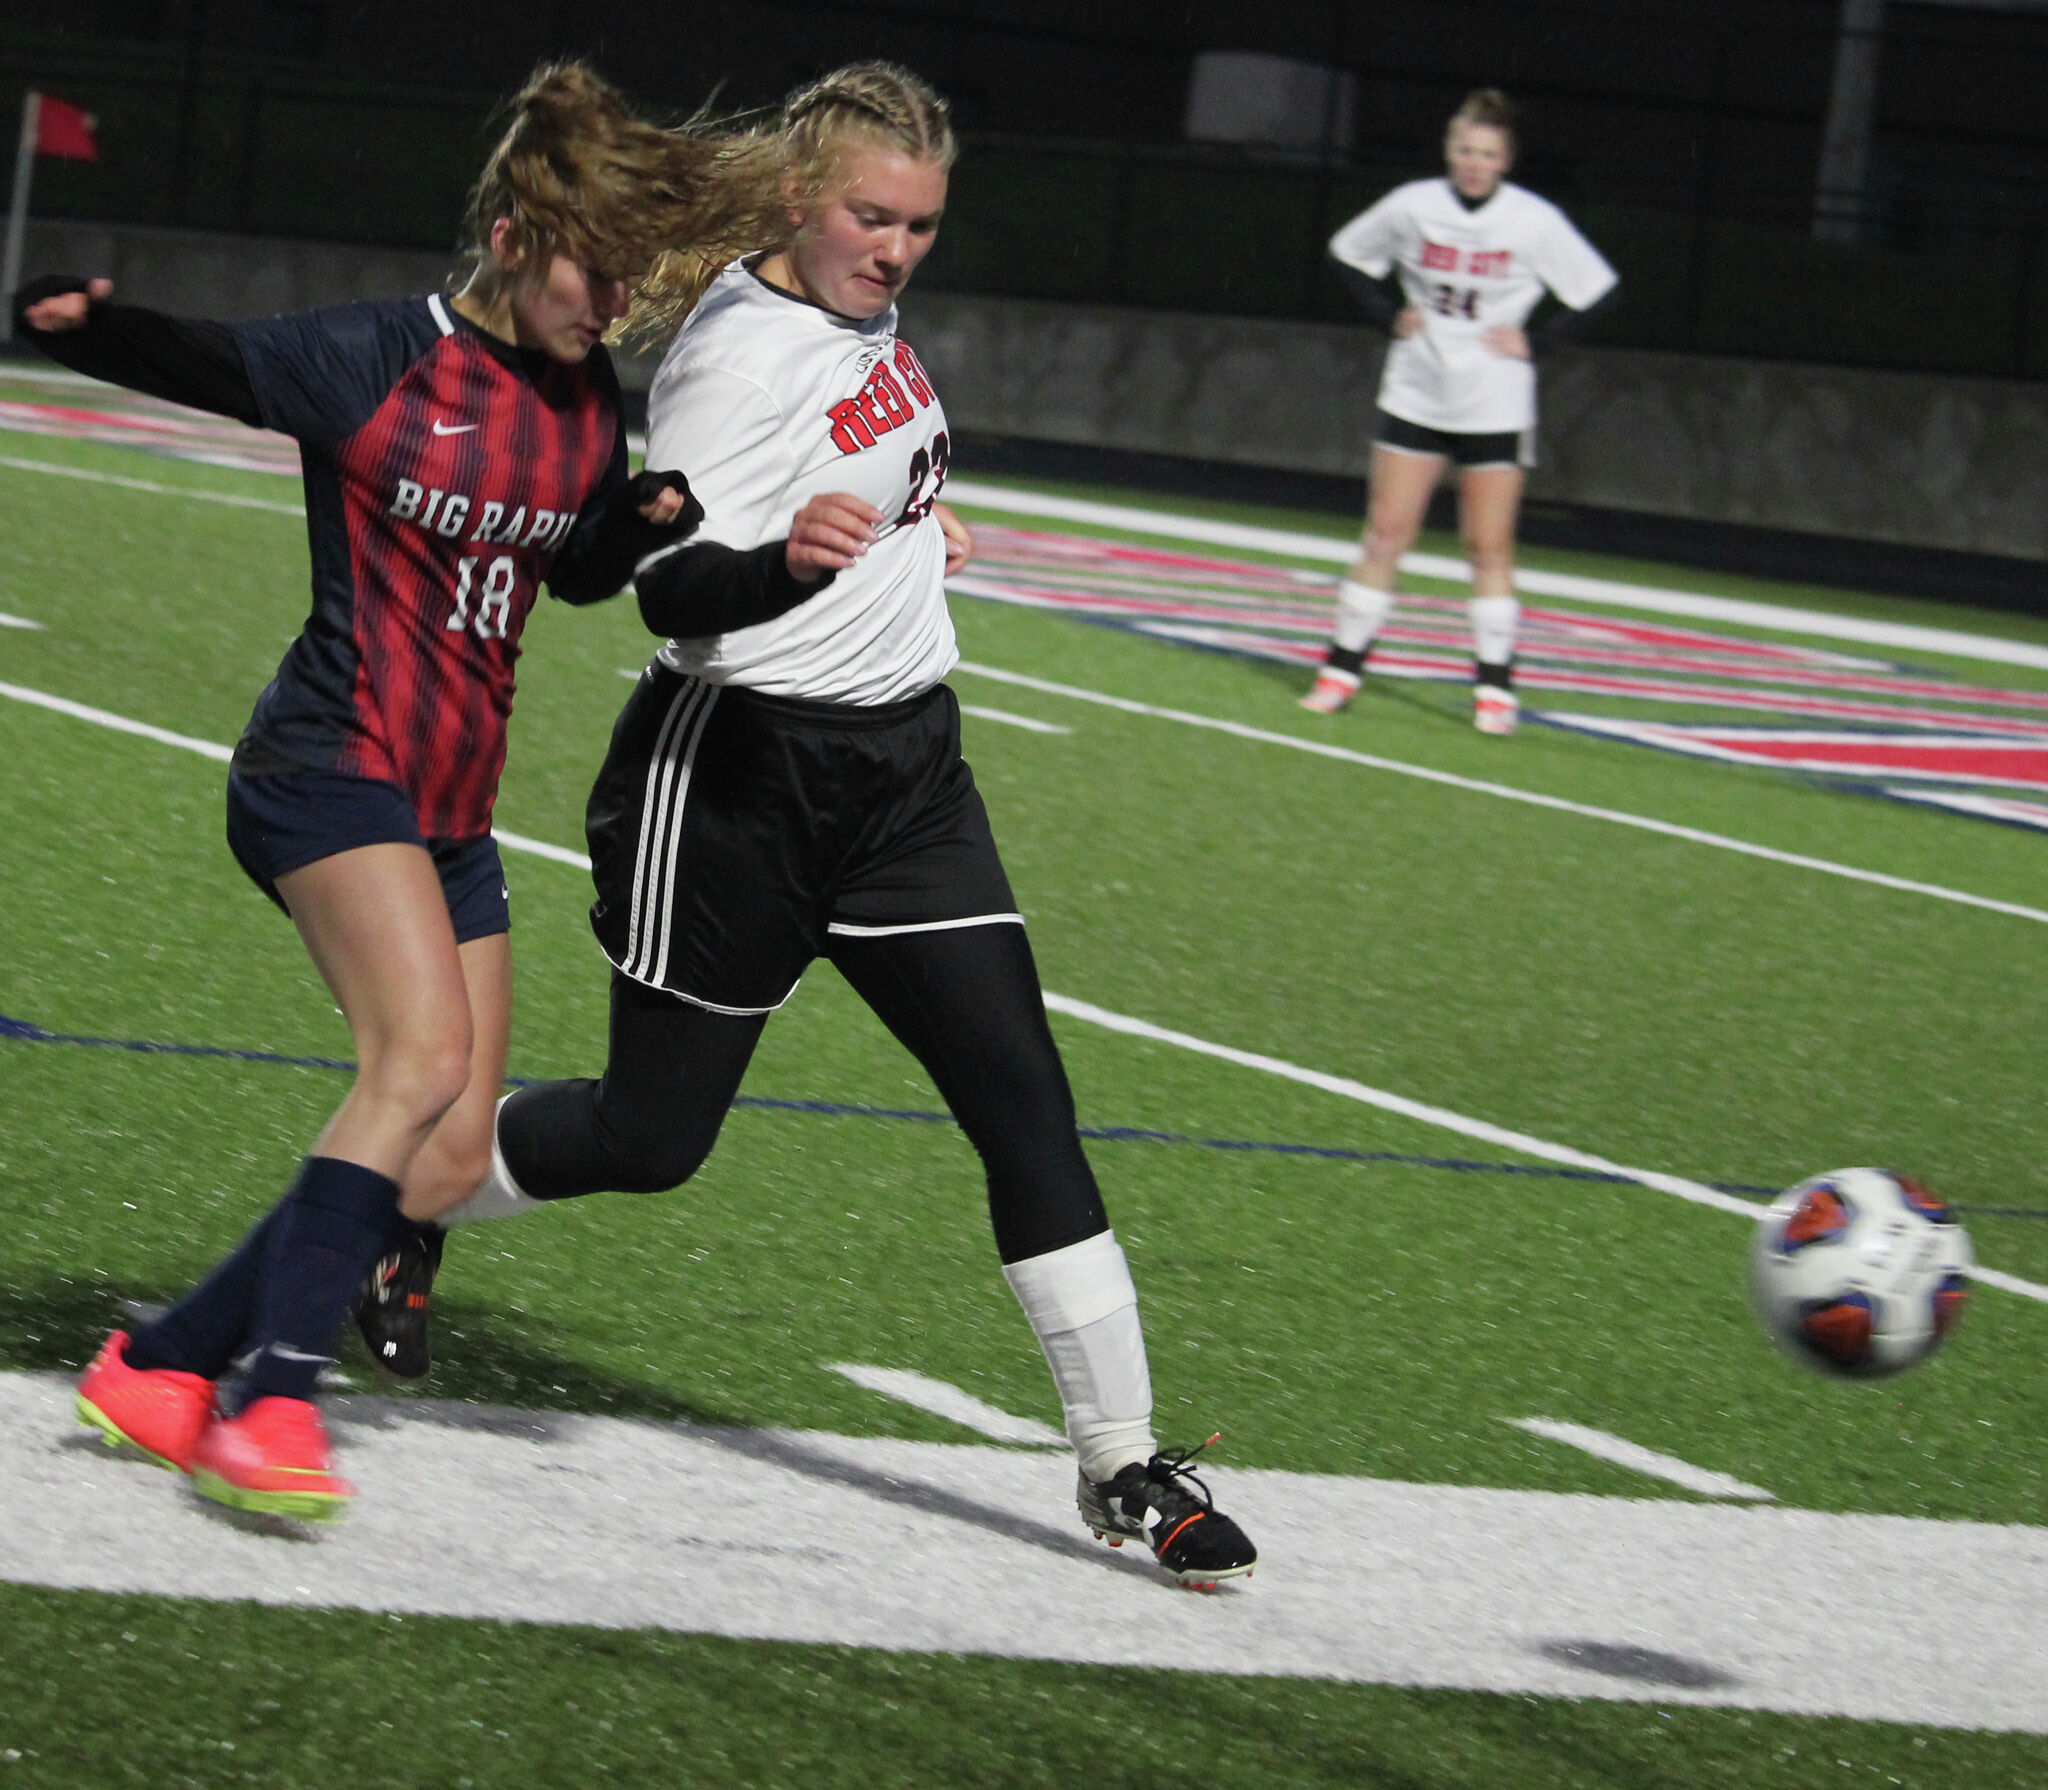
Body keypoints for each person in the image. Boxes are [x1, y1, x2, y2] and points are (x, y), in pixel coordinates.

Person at [398, 61, 1258, 1589]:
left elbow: (859, 461)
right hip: (737, 784)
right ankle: (405, 1193)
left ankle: (1125, 1464)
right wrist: (794, 567)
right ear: (804, 197)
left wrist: (920, 521)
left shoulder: (857, 312)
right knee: (651, 1140)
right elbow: (669, 594)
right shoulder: (738, 355)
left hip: (908, 781)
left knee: (1023, 1097)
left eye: (922, 224)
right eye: (874, 215)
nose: (899, 247)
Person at [24, 62, 790, 1519]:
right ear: (511, 234)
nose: (610, 300)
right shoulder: (377, 355)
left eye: (631, 277)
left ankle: (170, 1356)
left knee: (441, 1153)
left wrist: (629, 527)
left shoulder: (584, 403)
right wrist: (88, 324)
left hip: (451, 807)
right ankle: (275, 1396)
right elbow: (215, 360)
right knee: (420, 1058)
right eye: (591, 267)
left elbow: (566, 573)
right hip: (326, 766)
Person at [1300, 88, 1618, 734]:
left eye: (1488, 153)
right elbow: (1347, 254)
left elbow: (1597, 289)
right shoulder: (1413, 204)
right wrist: (1387, 315)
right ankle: (1340, 671)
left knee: (1488, 545)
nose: (1475, 163)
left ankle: (1496, 689)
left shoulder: (1534, 220)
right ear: (1449, 151)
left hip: (1493, 399)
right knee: (1386, 533)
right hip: (1417, 389)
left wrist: (1540, 342)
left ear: (1506, 160)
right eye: (1465, 150)